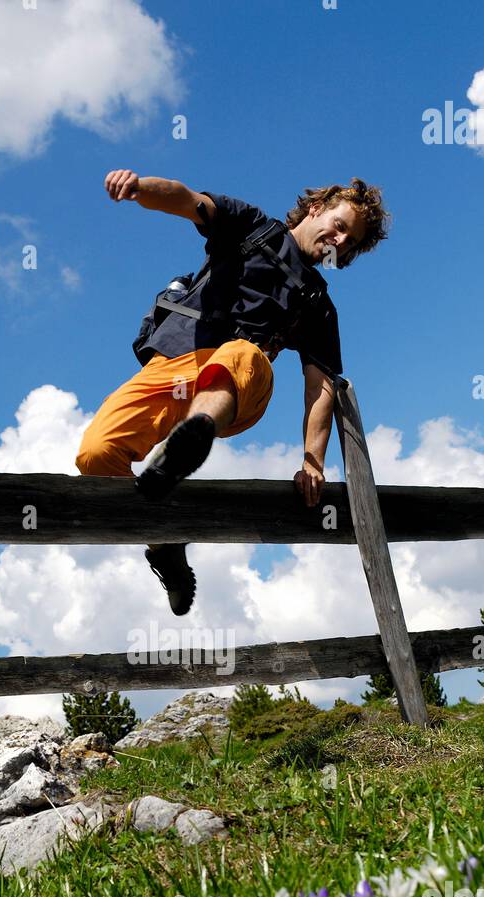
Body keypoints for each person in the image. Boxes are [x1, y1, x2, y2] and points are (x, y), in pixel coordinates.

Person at [75, 171, 391, 614]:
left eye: (351, 243)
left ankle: (193, 436)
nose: (340, 242)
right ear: (317, 208)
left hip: (241, 379)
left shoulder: (318, 304)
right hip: (172, 365)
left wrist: (312, 460)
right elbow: (189, 201)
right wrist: (139, 187)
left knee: (241, 352)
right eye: (340, 226)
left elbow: (320, 387)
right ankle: (165, 542)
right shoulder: (252, 226)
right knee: (95, 453)